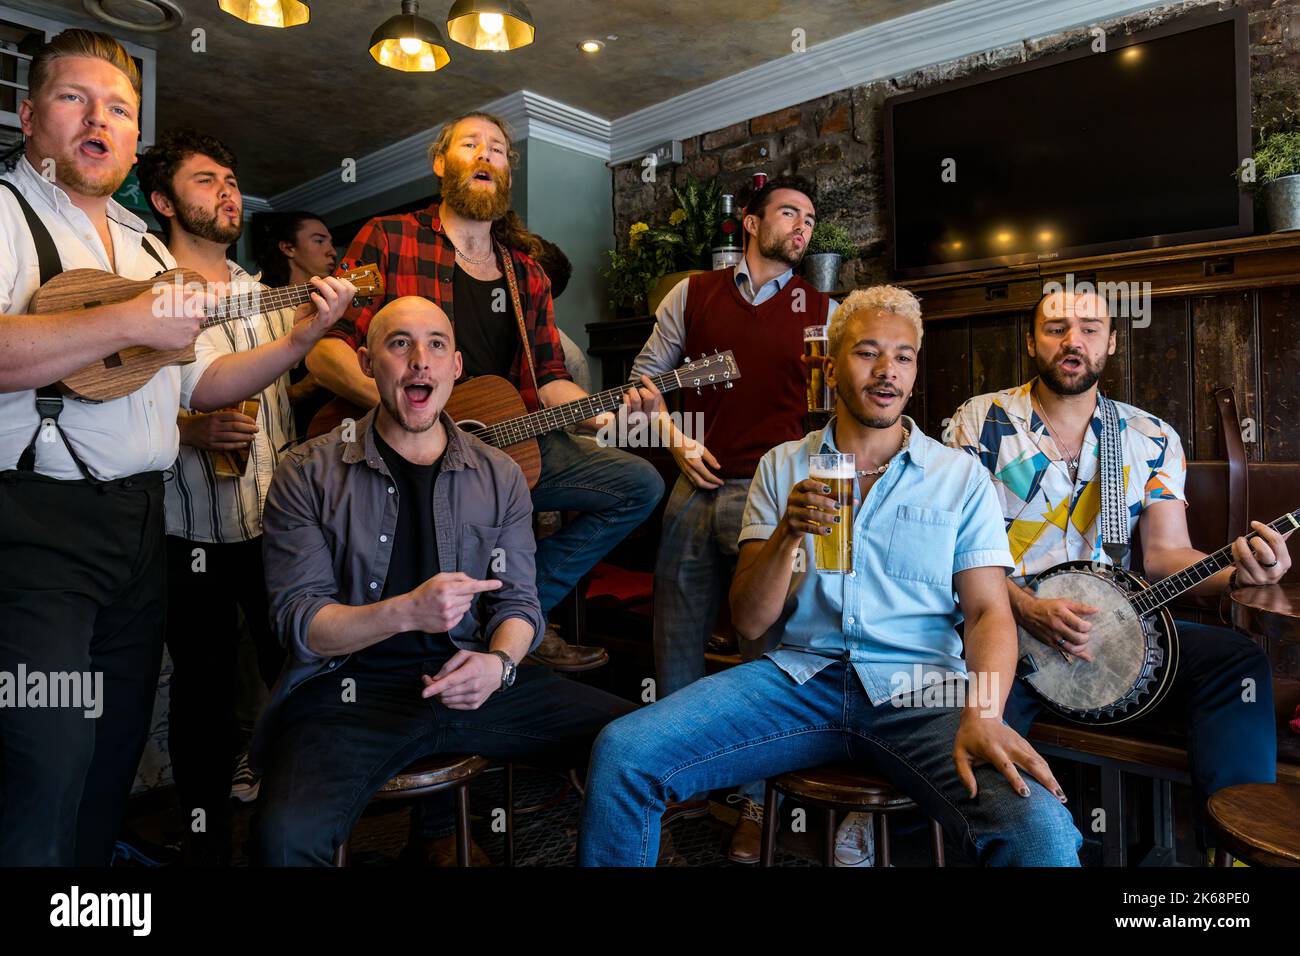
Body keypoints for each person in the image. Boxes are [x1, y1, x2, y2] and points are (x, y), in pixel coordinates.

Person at [0, 29, 354, 866]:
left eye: (119, 108)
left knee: (110, 756)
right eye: (73, 98)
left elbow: (200, 385)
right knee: (45, 756)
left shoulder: (144, 245)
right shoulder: (5, 214)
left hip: (139, 526)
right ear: (27, 115)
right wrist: (133, 317)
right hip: (34, 524)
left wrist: (305, 339)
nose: (100, 119)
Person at [579, 286, 1082, 867]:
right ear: (831, 364)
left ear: (916, 371)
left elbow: (989, 612)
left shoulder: (958, 476)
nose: (886, 372)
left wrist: (985, 711)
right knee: (624, 752)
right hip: (799, 679)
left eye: (903, 356)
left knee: (1040, 832)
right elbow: (749, 618)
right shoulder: (783, 465)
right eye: (867, 353)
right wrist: (787, 533)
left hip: (922, 688)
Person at [252, 296, 639, 865]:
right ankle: (435, 836)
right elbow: (301, 626)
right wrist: (406, 612)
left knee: (638, 745)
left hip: (472, 681)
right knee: (283, 842)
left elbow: (519, 605)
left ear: (456, 367)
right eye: (399, 343)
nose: (419, 361)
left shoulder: (499, 472)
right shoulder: (306, 472)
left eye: (436, 344)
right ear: (367, 363)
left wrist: (500, 664)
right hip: (348, 695)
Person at [305, 110, 663, 669]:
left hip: (503, 446)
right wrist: (409, 415)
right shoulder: (390, 239)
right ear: (440, 163)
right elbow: (325, 350)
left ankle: (517, 620)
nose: (485, 155)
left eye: (496, 149)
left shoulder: (529, 276)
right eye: (469, 144)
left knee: (637, 484)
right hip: (400, 454)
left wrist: (614, 414)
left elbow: (550, 384)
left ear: (506, 175)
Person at [946, 288, 1288, 845]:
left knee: (1237, 663)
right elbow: (952, 547)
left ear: (1109, 342)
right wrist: (1027, 607)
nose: (1072, 340)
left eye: (1088, 328)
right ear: (1032, 341)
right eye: (1056, 328)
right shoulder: (981, 422)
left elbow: (1165, 555)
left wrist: (1239, 573)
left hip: (1115, 629)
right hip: (1007, 629)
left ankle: (1239, 848)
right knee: (979, 745)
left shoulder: (1148, 436)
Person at [627, 175, 839, 863]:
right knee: (677, 639)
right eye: (788, 212)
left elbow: (836, 413)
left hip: (773, 493)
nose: (802, 227)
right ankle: (680, 780)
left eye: (810, 218)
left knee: (767, 650)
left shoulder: (825, 310)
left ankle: (756, 800)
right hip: (695, 479)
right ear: (749, 223)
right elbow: (644, 382)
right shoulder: (692, 295)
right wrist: (675, 440)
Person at [134, 128, 294, 864]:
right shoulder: (143, 290)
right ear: (164, 200)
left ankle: (294, 834)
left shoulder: (272, 297)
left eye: (231, 180)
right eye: (206, 181)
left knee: (295, 676)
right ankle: (205, 848)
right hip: (181, 530)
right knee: (201, 699)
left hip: (278, 526)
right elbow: (103, 403)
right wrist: (189, 431)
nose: (227, 192)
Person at [250, 209, 336, 436]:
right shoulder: (262, 307)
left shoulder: (334, 308)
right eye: (319, 241)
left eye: (331, 242)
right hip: (280, 436)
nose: (332, 251)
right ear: (288, 248)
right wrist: (301, 389)